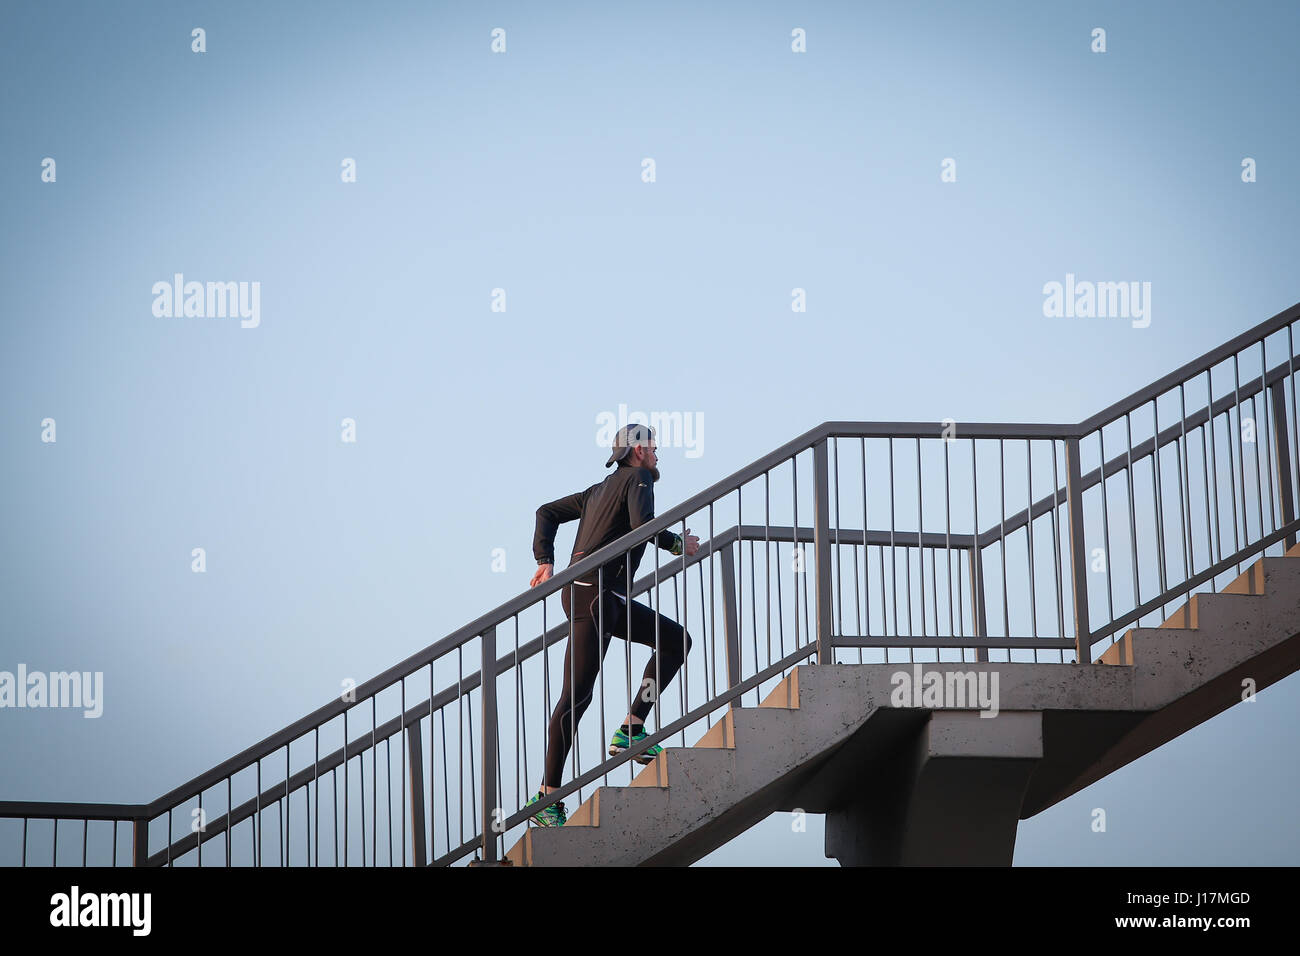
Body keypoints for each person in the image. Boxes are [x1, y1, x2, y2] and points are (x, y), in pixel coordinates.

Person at [524, 424, 700, 826]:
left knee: (675, 641)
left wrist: (545, 559)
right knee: (577, 695)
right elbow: (642, 526)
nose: (657, 454)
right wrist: (678, 545)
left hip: (606, 597)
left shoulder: (597, 491)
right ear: (637, 452)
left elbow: (546, 512)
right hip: (595, 595)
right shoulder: (638, 478)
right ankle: (547, 798)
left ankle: (632, 728)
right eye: (654, 447)